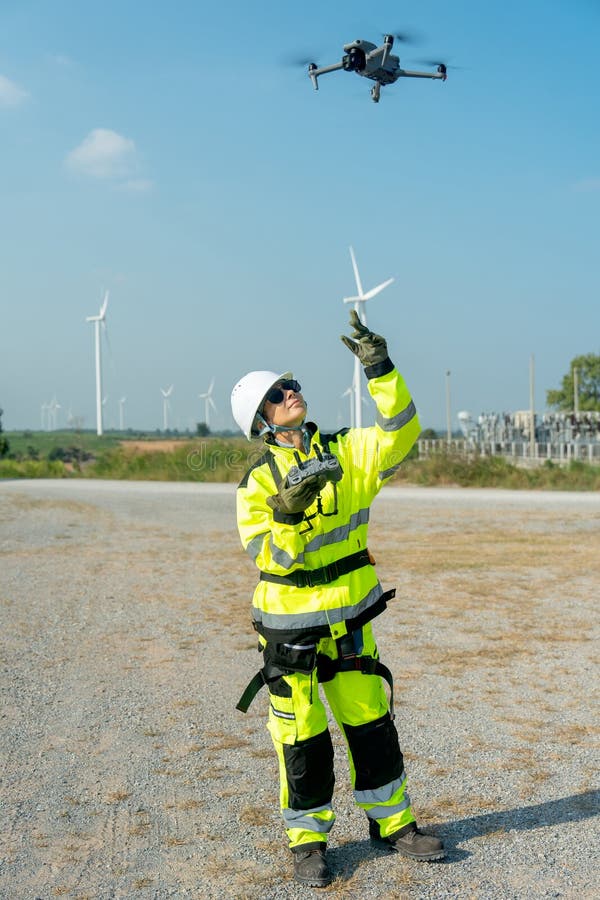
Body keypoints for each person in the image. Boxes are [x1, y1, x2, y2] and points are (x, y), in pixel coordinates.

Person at [230, 311, 444, 888]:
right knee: (301, 737)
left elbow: (402, 431)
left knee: (372, 722)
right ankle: (307, 843)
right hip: (290, 632)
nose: (291, 391)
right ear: (262, 421)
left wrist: (381, 368)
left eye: (291, 383)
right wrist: (287, 514)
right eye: (277, 393)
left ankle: (394, 825)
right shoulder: (256, 486)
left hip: (350, 623)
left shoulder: (349, 452)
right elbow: (270, 559)